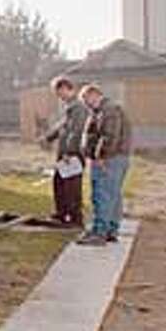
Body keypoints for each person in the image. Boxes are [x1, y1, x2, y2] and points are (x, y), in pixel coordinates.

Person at [77, 83, 131, 246]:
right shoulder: (104, 110)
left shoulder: (108, 110)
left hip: (108, 159)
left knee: (102, 195)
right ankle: (110, 230)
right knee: (112, 195)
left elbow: (109, 135)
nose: (86, 104)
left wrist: (100, 155)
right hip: (115, 157)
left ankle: (99, 233)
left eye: (86, 99)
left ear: (94, 94)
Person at [43, 77, 87, 227]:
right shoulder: (68, 107)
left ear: (68, 88)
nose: (59, 96)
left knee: (72, 187)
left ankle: (76, 218)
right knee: (59, 183)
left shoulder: (78, 108)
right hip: (65, 154)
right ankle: (61, 214)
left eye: (60, 92)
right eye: (57, 93)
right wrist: (48, 138)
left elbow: (76, 131)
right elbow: (62, 127)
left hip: (72, 154)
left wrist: (69, 151)